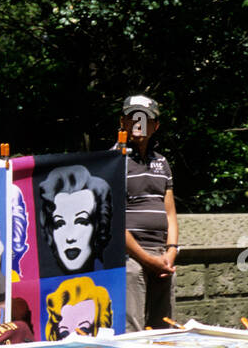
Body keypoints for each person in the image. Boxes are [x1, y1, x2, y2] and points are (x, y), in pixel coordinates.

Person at [116, 94, 177, 331]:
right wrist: (146, 259)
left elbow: (170, 213)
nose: (139, 124)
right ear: (123, 122)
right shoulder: (114, 162)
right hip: (129, 257)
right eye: (133, 118)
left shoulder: (162, 163)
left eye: (145, 119)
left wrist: (171, 251)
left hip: (162, 254)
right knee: (132, 329)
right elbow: (114, 220)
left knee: (164, 328)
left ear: (156, 126)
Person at [36, 164, 113, 274]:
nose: (70, 237)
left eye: (81, 222)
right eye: (59, 224)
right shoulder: (41, 284)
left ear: (99, 226)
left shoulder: (113, 281)